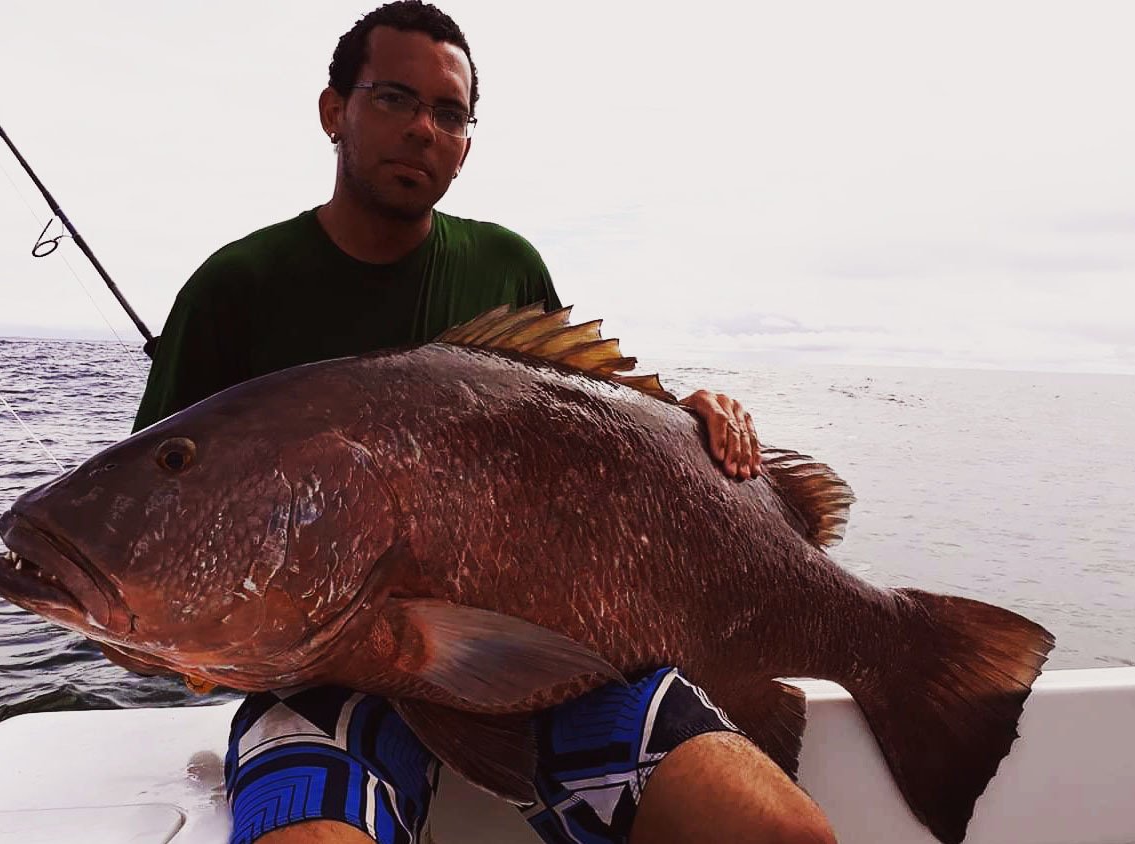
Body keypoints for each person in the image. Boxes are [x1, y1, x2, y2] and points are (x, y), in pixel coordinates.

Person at [132, 3, 836, 843]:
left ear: (467, 139)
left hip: (550, 667)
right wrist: (155, 630)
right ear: (334, 110)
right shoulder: (234, 287)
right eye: (392, 99)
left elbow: (591, 437)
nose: (423, 130)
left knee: (778, 834)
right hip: (318, 679)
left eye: (449, 113)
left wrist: (684, 421)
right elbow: (154, 511)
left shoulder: (507, 265)